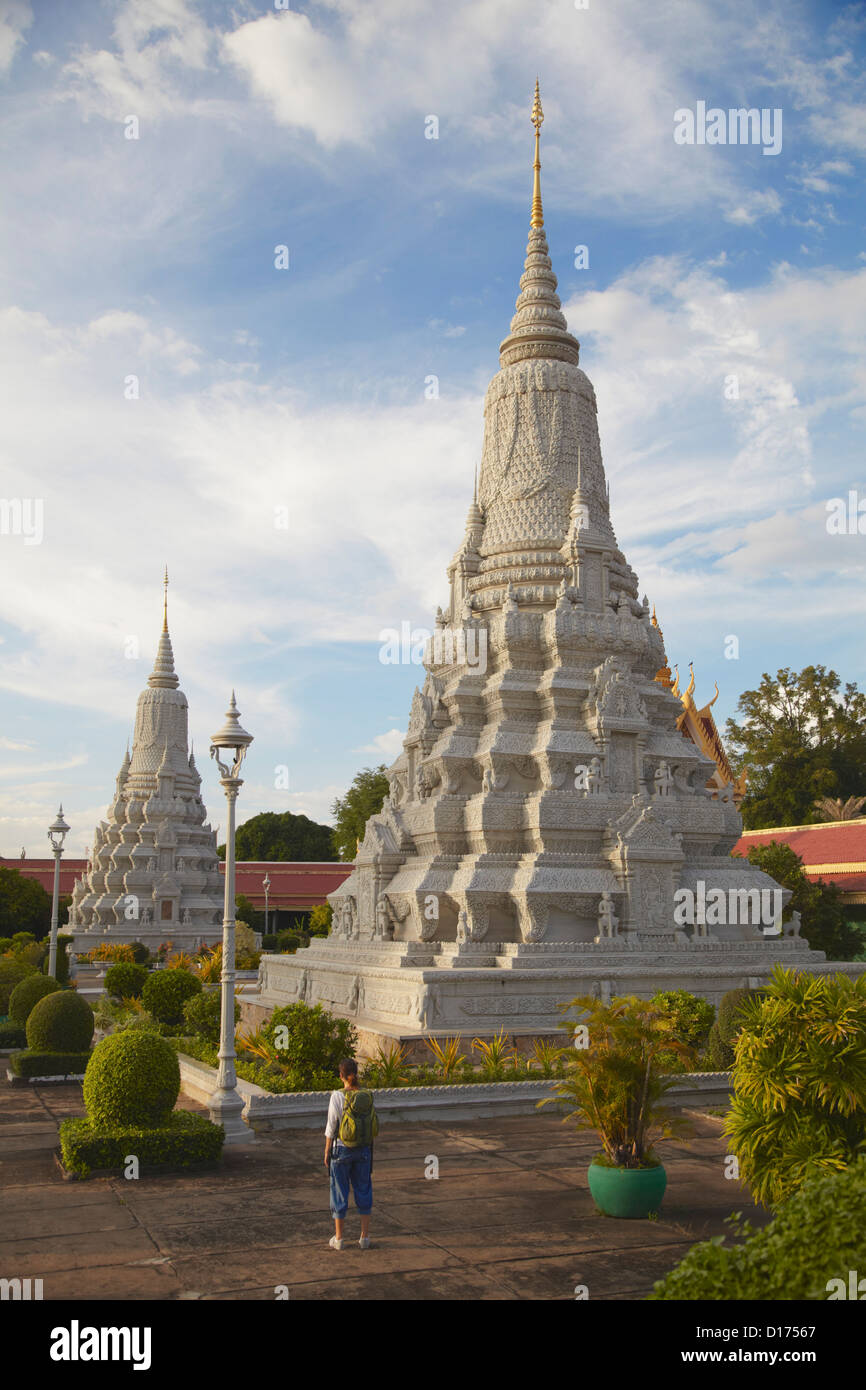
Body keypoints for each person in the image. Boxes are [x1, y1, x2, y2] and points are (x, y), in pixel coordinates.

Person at [324, 1058, 377, 1250]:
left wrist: (327, 1150)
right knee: (363, 1189)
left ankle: (339, 1238)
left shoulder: (337, 1096)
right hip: (363, 1149)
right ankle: (365, 1237)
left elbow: (331, 1127)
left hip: (341, 1149)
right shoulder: (367, 1095)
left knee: (339, 1191)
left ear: (341, 1076)